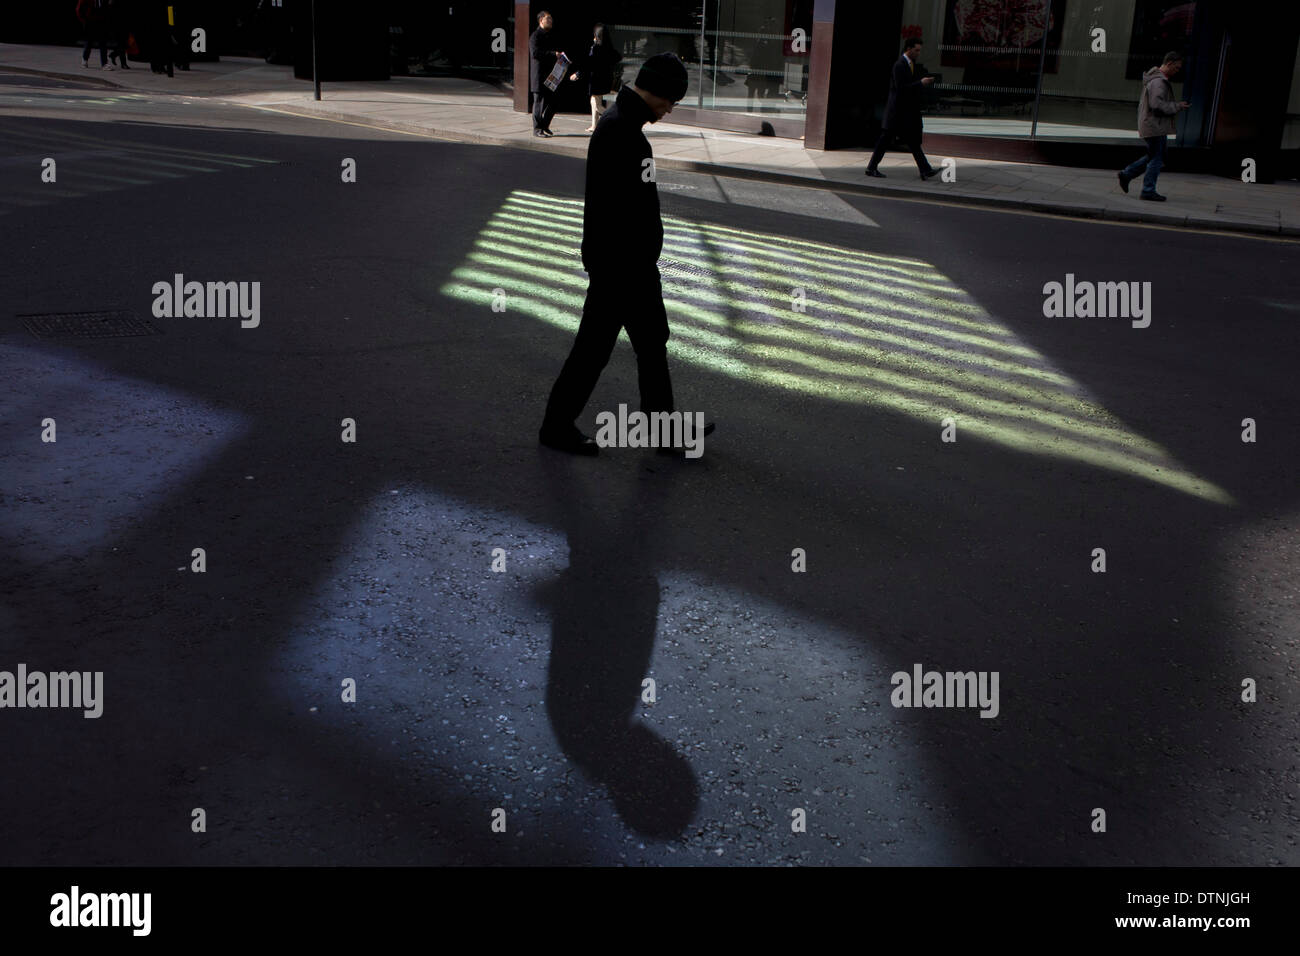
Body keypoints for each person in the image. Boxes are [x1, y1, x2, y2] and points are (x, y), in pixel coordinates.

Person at [539, 53, 713, 456]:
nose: (670, 110)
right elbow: (612, 210)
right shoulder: (621, 132)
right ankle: (555, 427)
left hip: (631, 265)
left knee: (652, 344)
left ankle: (663, 431)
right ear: (655, 92)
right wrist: (620, 263)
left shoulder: (626, 127)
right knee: (594, 350)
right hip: (620, 267)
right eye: (670, 101)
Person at [1117, 51, 1190, 202]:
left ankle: (1127, 174)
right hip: (1154, 125)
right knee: (1157, 158)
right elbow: (1157, 105)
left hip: (1153, 125)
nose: (1177, 71)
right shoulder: (1159, 82)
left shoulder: (1157, 79)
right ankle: (1147, 190)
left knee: (1155, 155)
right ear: (1169, 63)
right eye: (1176, 68)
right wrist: (1176, 106)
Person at [865, 37, 938, 180]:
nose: (918, 53)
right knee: (884, 141)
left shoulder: (911, 64)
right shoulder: (899, 65)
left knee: (913, 142)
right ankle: (871, 168)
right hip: (896, 113)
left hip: (905, 113)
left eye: (919, 51)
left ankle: (925, 170)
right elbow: (901, 89)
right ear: (908, 49)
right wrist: (921, 83)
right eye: (916, 50)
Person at [573, 23, 621, 133]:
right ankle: (594, 125)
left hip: (596, 79)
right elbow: (617, 57)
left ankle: (617, 119)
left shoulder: (596, 48)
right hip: (605, 78)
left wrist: (578, 74)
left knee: (597, 104)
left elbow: (589, 63)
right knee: (594, 101)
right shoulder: (608, 47)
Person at [529, 10, 568, 137]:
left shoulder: (550, 35)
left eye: (551, 19)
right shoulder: (535, 36)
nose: (551, 21)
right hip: (539, 75)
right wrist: (553, 54)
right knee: (539, 102)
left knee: (554, 101)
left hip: (551, 75)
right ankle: (537, 129)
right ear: (541, 21)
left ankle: (545, 125)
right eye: (548, 19)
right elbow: (535, 53)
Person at [77, 0, 112, 70]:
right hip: (90, 22)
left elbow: (107, 7)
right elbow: (78, 9)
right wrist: (84, 20)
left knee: (103, 43)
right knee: (89, 42)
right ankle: (85, 59)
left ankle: (104, 64)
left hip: (101, 22)